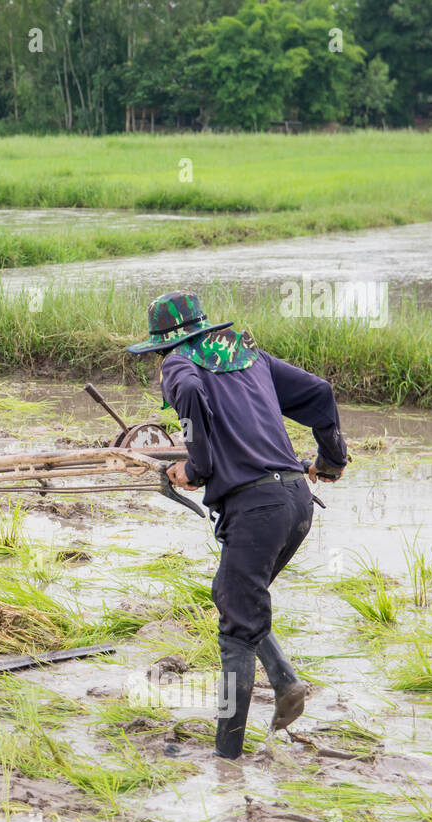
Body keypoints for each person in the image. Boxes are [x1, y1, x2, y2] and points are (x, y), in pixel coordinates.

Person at [125, 291, 348, 760]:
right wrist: (332, 459)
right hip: (295, 502)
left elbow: (185, 395)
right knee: (234, 598)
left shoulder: (178, 366)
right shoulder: (245, 355)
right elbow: (319, 392)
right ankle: (286, 682)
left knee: (234, 630)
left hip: (256, 510)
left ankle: (227, 756)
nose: (161, 365)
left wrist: (196, 467)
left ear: (166, 344)